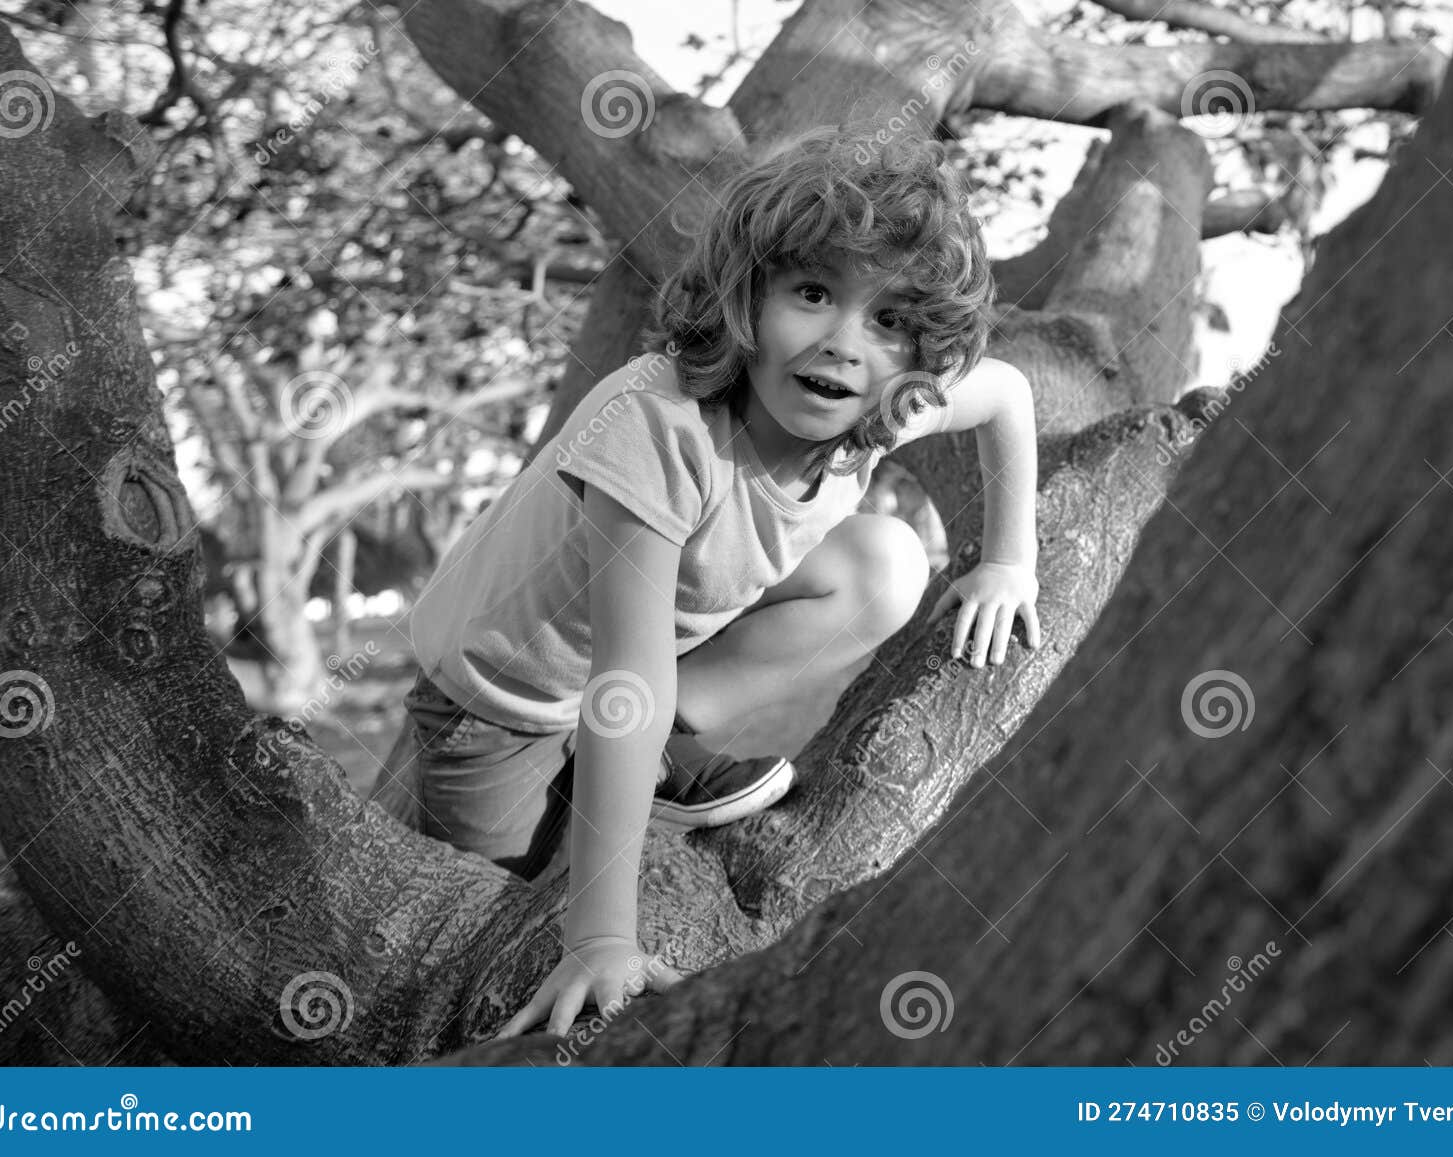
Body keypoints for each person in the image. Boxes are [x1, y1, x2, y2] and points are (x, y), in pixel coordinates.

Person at [371, 122, 1042, 1039]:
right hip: (500, 705)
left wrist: (1010, 560)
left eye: (890, 321)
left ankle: (653, 760)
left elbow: (1006, 394)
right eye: (813, 293)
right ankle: (611, 777)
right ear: (747, 298)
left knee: (887, 564)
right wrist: (602, 937)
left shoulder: (880, 410)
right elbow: (625, 682)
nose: (846, 344)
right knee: (488, 924)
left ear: (920, 353)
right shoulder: (660, 424)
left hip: (638, 669)